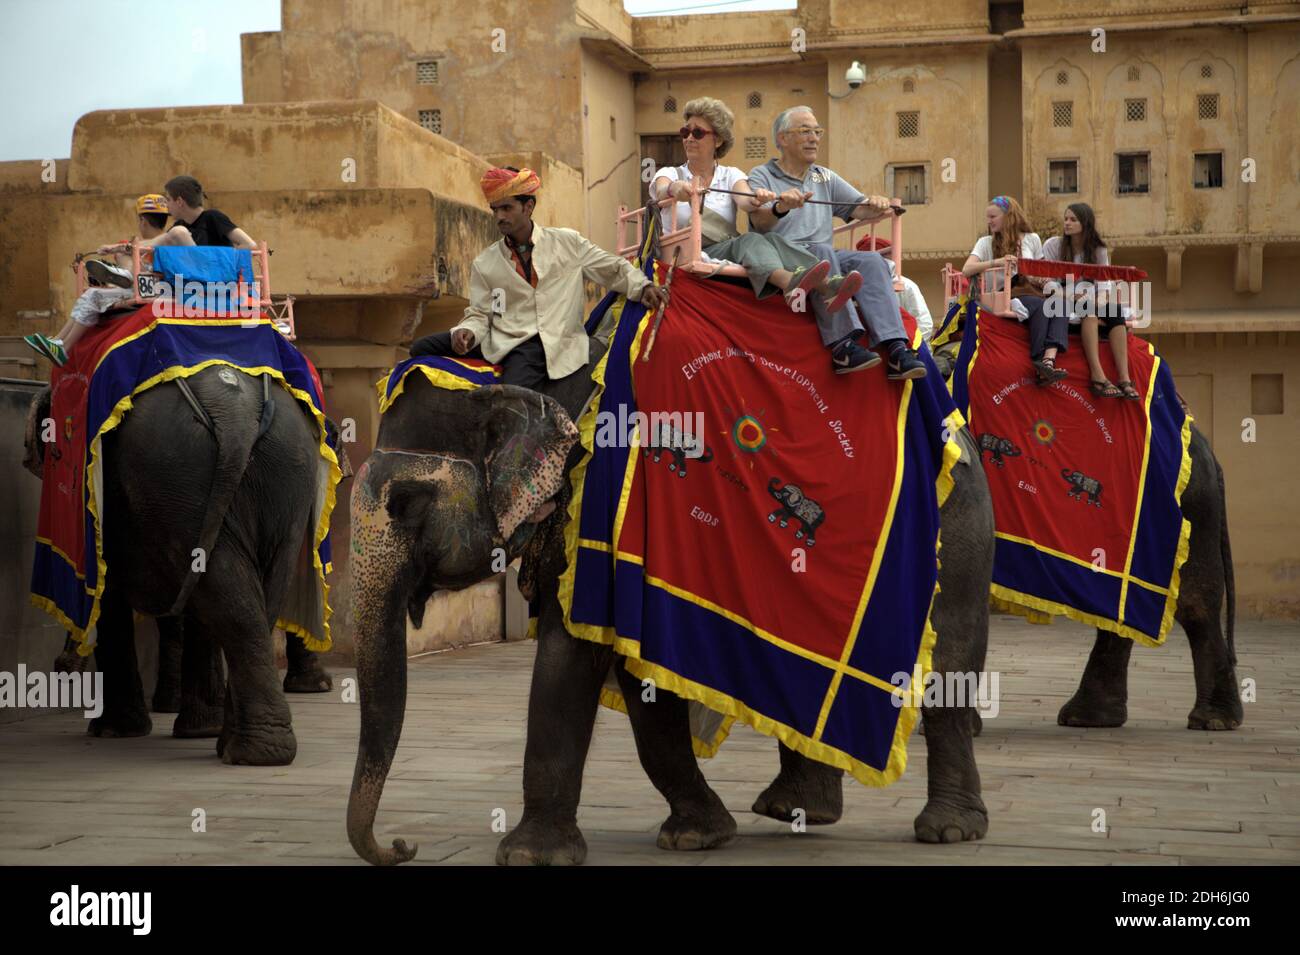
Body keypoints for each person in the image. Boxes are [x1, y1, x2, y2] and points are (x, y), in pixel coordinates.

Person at [650, 98, 866, 371]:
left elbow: (746, 200)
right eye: (685, 132)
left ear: (717, 140)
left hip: (722, 248)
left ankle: (825, 283)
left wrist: (763, 199)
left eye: (698, 133)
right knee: (752, 240)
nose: (689, 139)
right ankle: (791, 282)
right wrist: (676, 189)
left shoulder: (730, 175)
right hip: (685, 250)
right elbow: (661, 189)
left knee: (772, 239)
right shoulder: (671, 172)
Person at [409, 166, 668, 391]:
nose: (499, 216)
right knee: (420, 347)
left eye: (507, 208)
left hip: (539, 344)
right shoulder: (485, 263)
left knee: (513, 399)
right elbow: (479, 314)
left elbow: (611, 268)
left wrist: (642, 287)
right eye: (495, 209)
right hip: (499, 337)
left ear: (528, 206)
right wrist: (465, 332)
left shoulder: (567, 242)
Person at [748, 106, 926, 380]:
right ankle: (842, 347)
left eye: (817, 132)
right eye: (805, 131)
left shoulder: (824, 176)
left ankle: (897, 349)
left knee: (872, 260)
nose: (814, 138)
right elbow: (759, 222)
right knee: (822, 251)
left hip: (824, 255)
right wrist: (782, 205)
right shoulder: (761, 175)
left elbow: (859, 209)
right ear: (782, 139)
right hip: (784, 256)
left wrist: (877, 203)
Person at [24, 194, 176, 366]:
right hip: (150, 287)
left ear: (142, 220)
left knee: (94, 294)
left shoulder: (145, 244)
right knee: (92, 292)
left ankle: (63, 346)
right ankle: (58, 341)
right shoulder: (167, 240)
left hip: (148, 289)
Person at [961, 196, 1064, 385]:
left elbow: (1040, 270)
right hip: (1004, 294)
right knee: (1041, 306)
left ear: (1009, 216)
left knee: (1059, 303)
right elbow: (967, 269)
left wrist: (1047, 283)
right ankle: (1038, 360)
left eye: (993, 216)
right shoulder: (985, 242)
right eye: (988, 217)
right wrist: (997, 262)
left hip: (1031, 289)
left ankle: (1049, 359)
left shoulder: (1031, 239)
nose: (989, 221)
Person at [1042, 203, 1137, 400]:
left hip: (1090, 299)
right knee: (1089, 312)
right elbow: (1048, 284)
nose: (1067, 223)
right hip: (1062, 299)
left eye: (1073, 220)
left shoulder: (1098, 251)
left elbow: (1103, 288)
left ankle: (1124, 378)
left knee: (1115, 313)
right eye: (1066, 219)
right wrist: (1071, 295)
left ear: (1085, 224)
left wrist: (1095, 301)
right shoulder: (1053, 246)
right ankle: (1097, 375)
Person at [164, 175, 258, 249]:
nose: (166, 205)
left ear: (179, 201)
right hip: (188, 274)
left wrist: (215, 260)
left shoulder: (212, 217)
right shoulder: (179, 225)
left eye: (168, 199)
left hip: (216, 273)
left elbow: (250, 245)